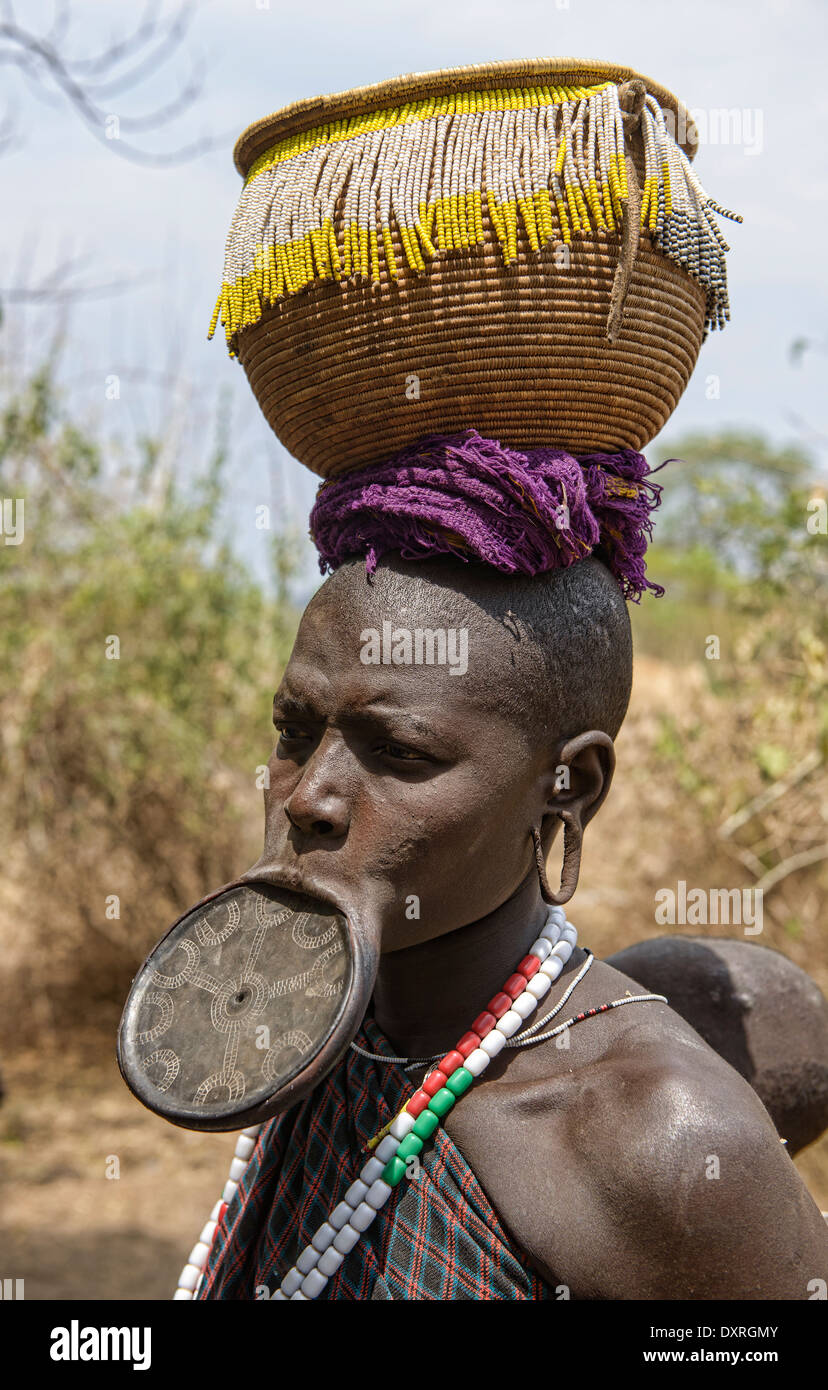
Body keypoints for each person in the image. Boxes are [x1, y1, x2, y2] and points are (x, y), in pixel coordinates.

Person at [195, 551, 828, 1299]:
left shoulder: (651, 1144)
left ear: (569, 788)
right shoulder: (323, 1033)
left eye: (399, 750)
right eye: (295, 732)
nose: (308, 797)